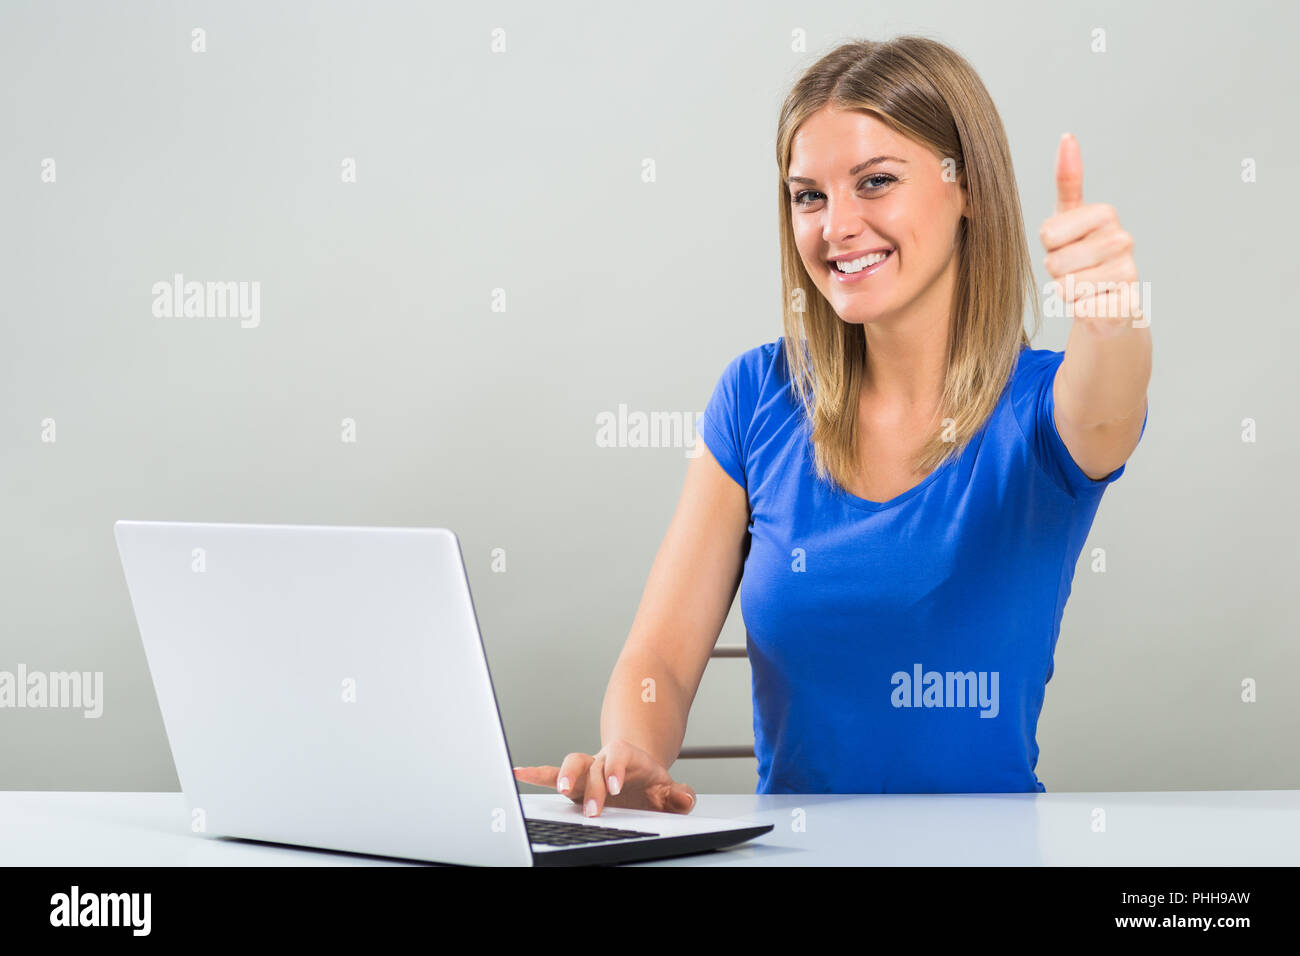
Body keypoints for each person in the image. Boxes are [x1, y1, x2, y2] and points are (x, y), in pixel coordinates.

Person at [514, 35, 1151, 815]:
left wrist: (1114, 314)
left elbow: (1109, 395)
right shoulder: (757, 396)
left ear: (969, 189)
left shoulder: (1045, 413)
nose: (836, 226)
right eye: (808, 195)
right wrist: (632, 760)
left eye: (875, 182)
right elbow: (660, 660)